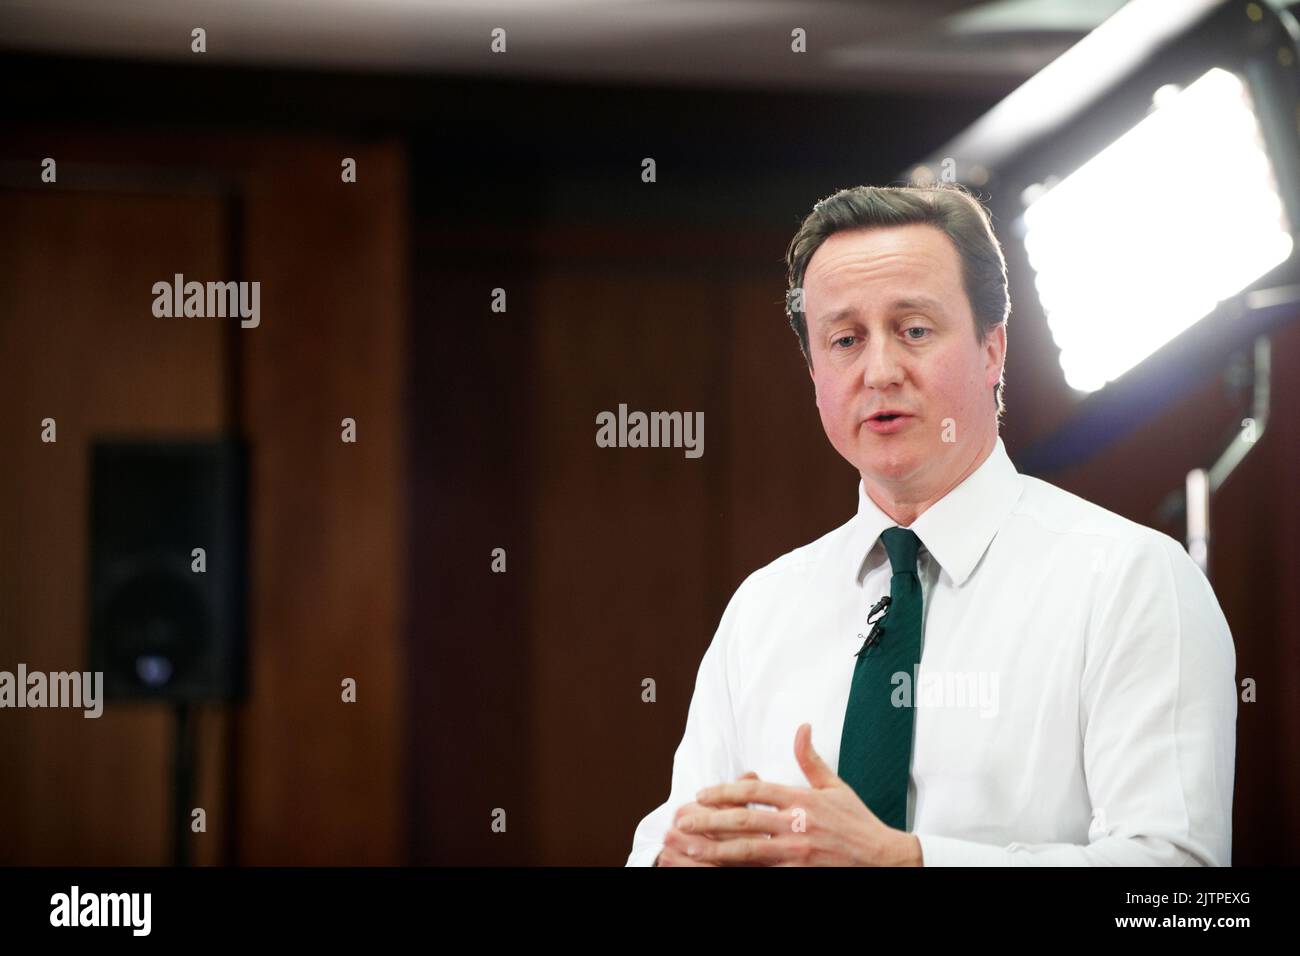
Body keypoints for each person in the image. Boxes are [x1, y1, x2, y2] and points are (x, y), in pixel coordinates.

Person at [625, 183, 1237, 867]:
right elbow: (668, 839)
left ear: (992, 350)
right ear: (814, 372)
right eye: (845, 340)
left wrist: (908, 862)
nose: (879, 371)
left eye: (914, 329)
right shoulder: (762, 609)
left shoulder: (1131, 582)